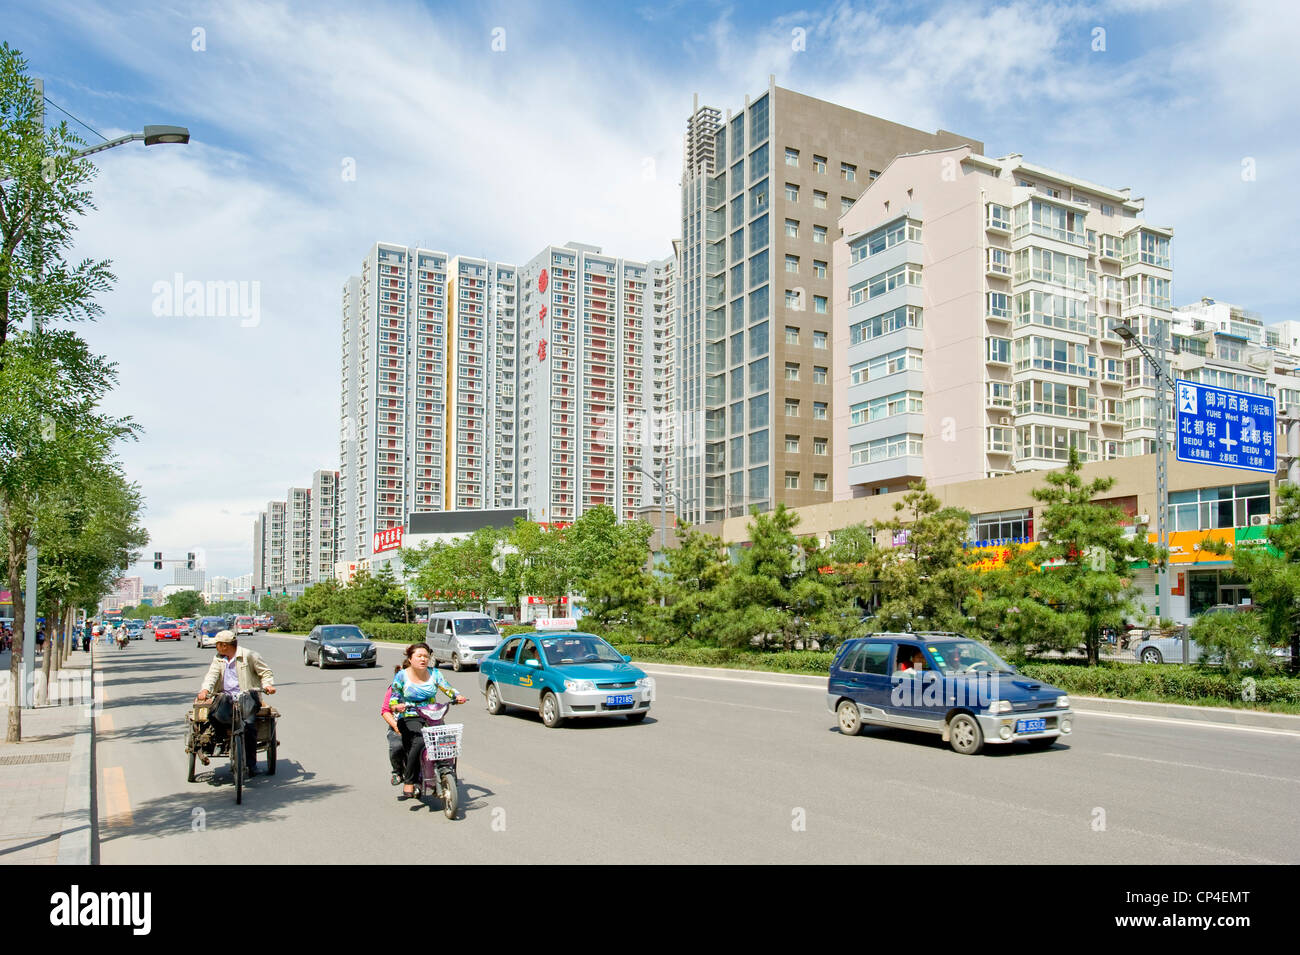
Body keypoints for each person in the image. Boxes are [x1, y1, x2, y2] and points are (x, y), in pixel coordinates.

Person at [389, 643, 465, 799]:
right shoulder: (402, 676)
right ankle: (409, 780)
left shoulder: (435, 673)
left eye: (426, 656)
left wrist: (456, 696)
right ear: (410, 658)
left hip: (432, 714)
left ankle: (444, 768)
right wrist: (397, 706)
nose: (423, 659)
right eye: (419, 656)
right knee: (419, 742)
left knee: (443, 741)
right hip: (410, 716)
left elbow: (447, 688)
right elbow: (394, 698)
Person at [196, 630, 276, 776]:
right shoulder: (218, 658)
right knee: (214, 715)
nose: (216, 647)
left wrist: (268, 685)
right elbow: (211, 676)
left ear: (224, 645)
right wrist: (205, 690)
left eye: (217, 645)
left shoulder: (249, 655)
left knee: (250, 726)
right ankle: (220, 739)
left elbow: (265, 672)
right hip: (225, 696)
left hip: (247, 695)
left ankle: (252, 765)